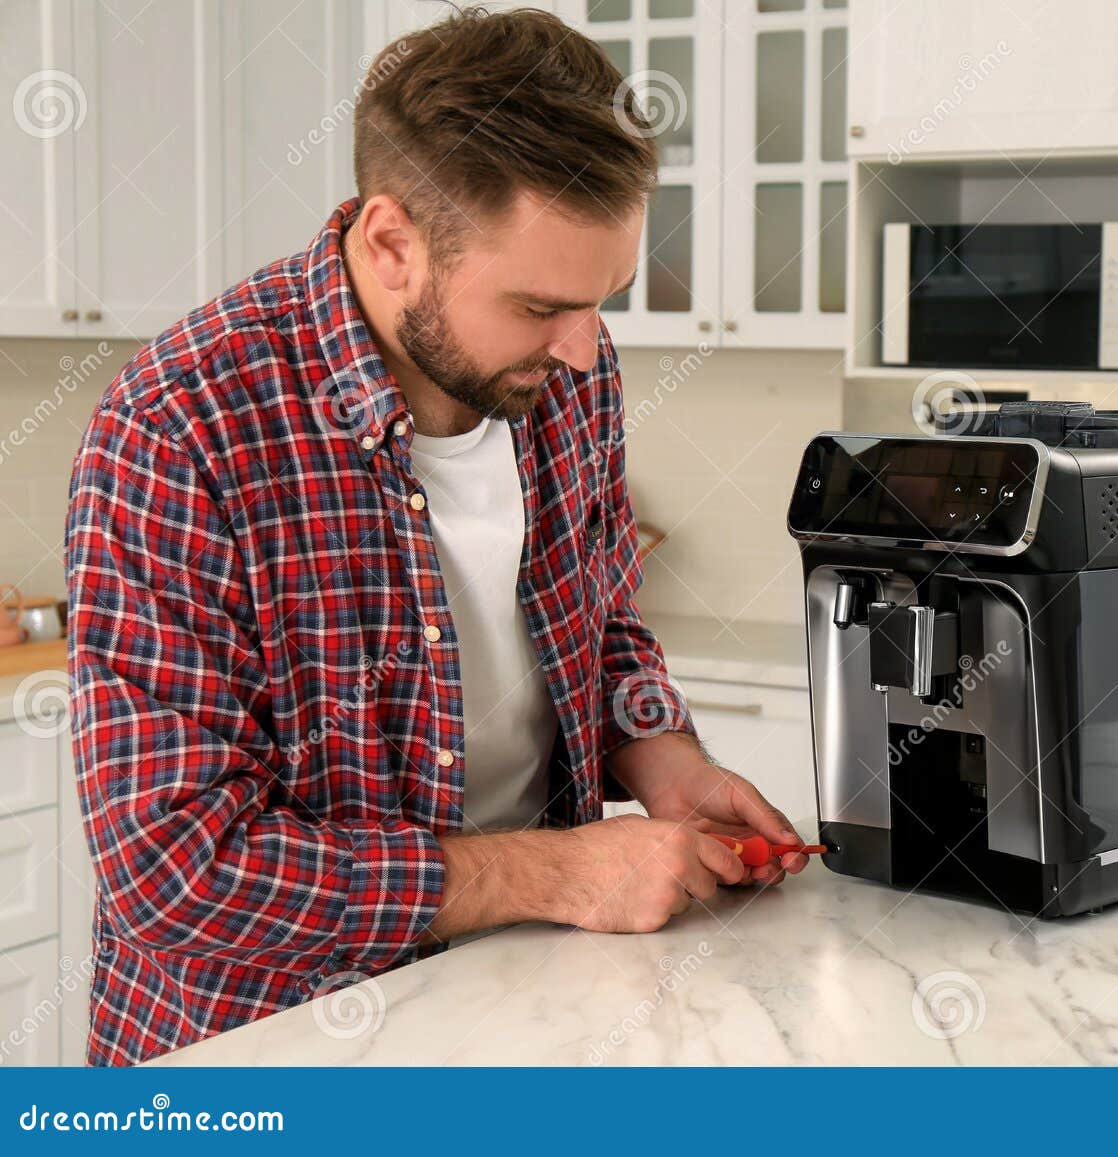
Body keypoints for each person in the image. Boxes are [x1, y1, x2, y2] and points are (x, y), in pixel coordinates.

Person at [64, 6, 810, 1068]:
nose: (585, 347)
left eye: (602, 300)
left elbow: (599, 622)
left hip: (521, 1004)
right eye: (540, 306)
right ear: (392, 244)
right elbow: (175, 871)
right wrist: (557, 871)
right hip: (262, 1053)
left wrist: (662, 754)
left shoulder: (566, 375)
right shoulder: (179, 429)